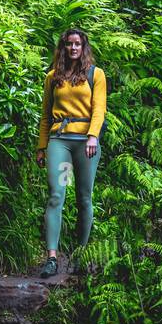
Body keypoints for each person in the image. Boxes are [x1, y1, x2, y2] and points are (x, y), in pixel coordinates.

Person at [35, 28, 106, 278]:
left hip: (85, 145)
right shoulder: (53, 76)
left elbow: (99, 109)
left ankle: (80, 254)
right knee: (57, 195)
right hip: (60, 143)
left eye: (77, 44)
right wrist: (42, 147)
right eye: (68, 44)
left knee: (84, 198)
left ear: (83, 47)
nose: (73, 48)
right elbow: (45, 114)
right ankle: (52, 258)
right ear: (63, 47)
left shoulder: (94, 75)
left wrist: (92, 136)